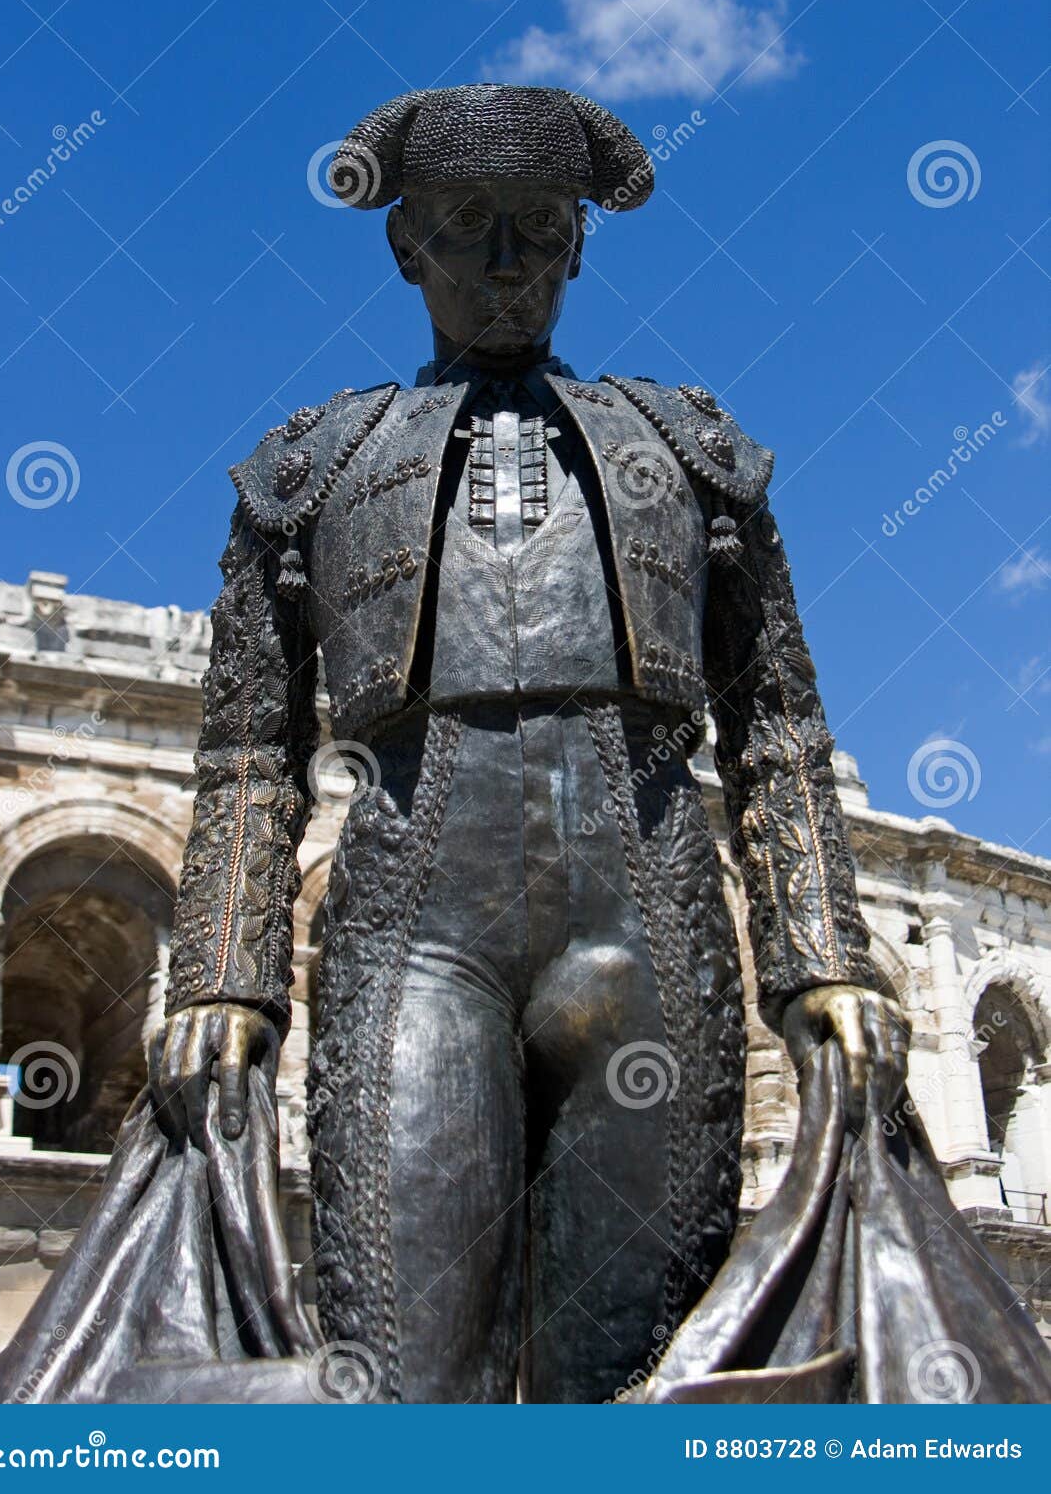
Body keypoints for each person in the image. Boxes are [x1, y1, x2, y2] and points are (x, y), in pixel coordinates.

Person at [154, 84, 908, 1403]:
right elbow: (245, 756)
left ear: (579, 241)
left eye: (536, 226)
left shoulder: (691, 452)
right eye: (466, 226)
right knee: (404, 1372)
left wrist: (825, 959)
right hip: (412, 936)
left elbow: (778, 723)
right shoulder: (312, 470)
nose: (506, 260)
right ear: (405, 246)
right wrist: (224, 973)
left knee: (626, 1382)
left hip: (653, 927)